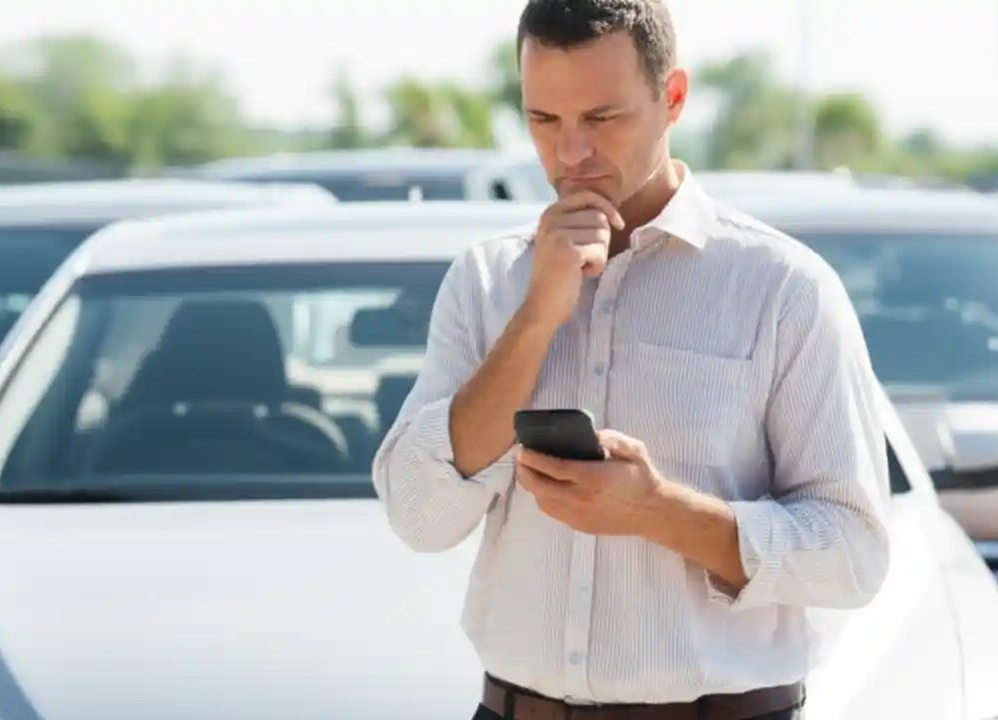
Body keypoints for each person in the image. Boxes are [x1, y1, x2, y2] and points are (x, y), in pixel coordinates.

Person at [371, 1, 891, 718]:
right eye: (544, 121)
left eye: (601, 118)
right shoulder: (487, 280)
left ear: (672, 98)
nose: (571, 153)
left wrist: (659, 512)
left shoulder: (783, 290)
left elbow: (853, 553)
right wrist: (537, 315)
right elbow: (418, 516)